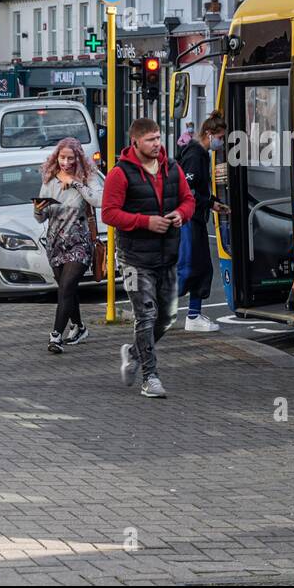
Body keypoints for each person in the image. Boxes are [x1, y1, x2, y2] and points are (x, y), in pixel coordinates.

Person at [101, 118, 195, 398]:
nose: (157, 144)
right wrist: (145, 222)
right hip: (134, 257)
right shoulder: (120, 174)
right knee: (146, 316)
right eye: (151, 140)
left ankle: (132, 352)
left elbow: (188, 200)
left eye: (158, 138)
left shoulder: (172, 168)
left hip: (167, 255)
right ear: (136, 142)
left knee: (167, 318)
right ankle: (150, 378)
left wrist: (181, 214)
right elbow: (109, 213)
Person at [34, 137, 103, 352]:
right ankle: (80, 327)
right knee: (67, 290)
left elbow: (98, 200)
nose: (66, 163)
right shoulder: (49, 179)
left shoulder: (87, 177)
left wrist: (75, 183)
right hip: (55, 243)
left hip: (79, 243)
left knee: (66, 287)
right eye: (62, 158)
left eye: (70, 158)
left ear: (78, 158)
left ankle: (55, 336)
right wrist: (38, 209)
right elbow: (40, 217)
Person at [176, 111, 228, 331]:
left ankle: (194, 315)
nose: (221, 142)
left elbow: (198, 189)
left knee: (200, 268)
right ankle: (153, 307)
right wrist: (207, 203)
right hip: (189, 219)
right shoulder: (195, 154)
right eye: (221, 137)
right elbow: (187, 188)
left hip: (194, 217)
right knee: (189, 268)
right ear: (209, 133)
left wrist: (212, 202)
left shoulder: (200, 153)